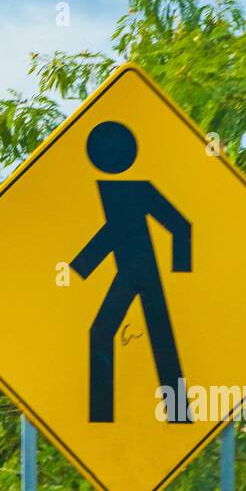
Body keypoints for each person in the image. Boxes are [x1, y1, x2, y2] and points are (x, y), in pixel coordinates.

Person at [71, 121, 192, 423]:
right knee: (111, 333)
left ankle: (171, 412)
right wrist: (82, 266)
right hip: (130, 269)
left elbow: (180, 225)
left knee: (155, 336)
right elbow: (115, 230)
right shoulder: (113, 189)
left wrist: (181, 270)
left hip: (143, 268)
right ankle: (102, 414)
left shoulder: (137, 189)